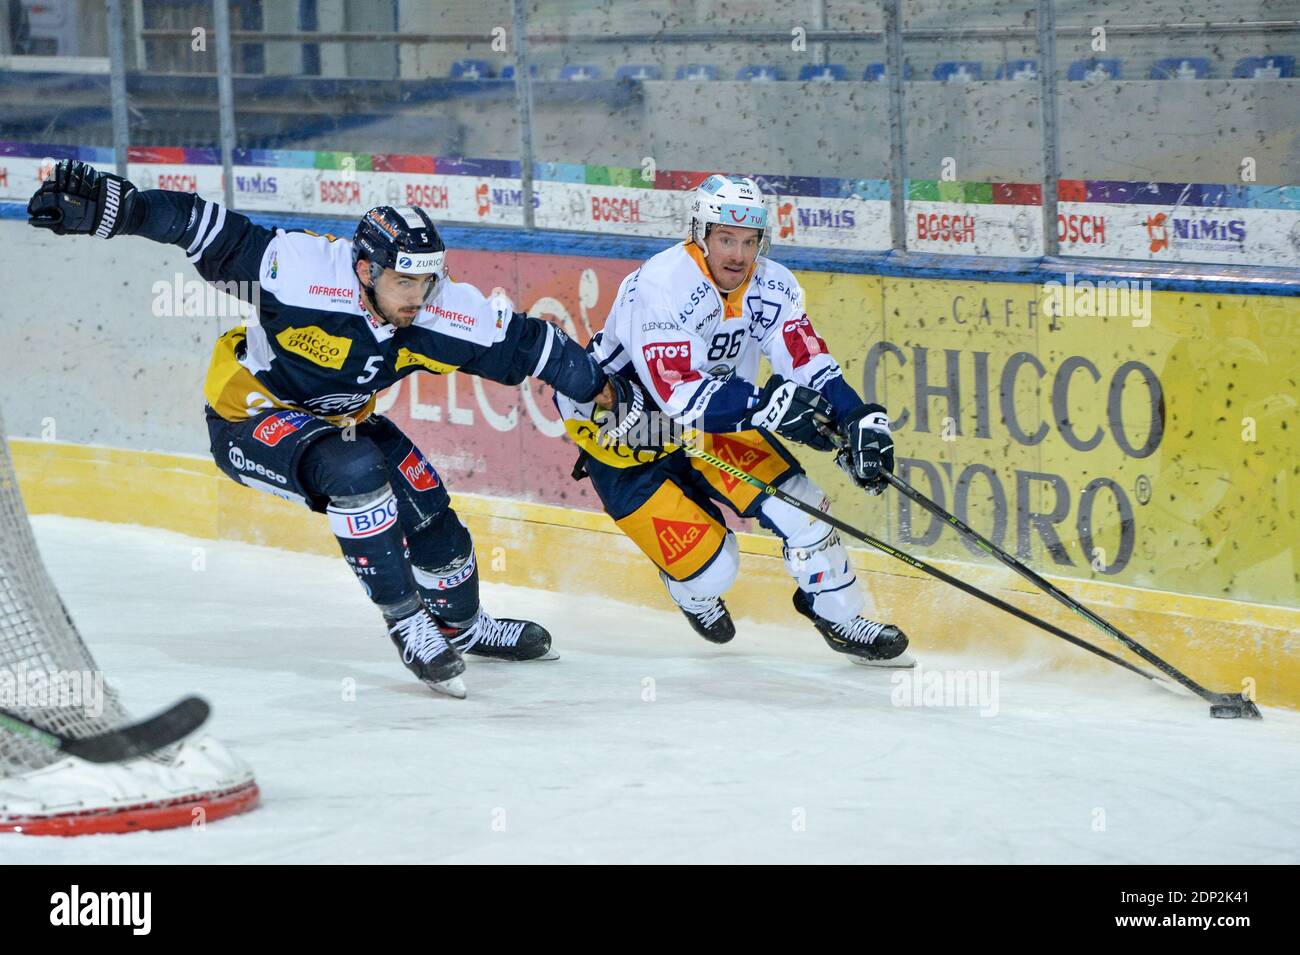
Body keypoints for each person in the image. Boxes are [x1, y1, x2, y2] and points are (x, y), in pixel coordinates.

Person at [28, 160, 610, 698]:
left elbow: (535, 347)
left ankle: (462, 626)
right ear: (365, 270)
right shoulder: (301, 270)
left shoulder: (444, 310)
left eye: (429, 282)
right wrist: (122, 210)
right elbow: (204, 228)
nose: (418, 298)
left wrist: (612, 396)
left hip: (344, 421)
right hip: (251, 415)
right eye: (405, 283)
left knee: (432, 513)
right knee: (354, 472)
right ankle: (408, 622)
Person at [559, 174, 910, 664]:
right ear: (700, 235)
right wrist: (766, 405)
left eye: (749, 242)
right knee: (716, 570)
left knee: (804, 508)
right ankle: (690, 589)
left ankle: (840, 617)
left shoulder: (772, 284)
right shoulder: (663, 283)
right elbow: (677, 391)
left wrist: (857, 416)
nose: (738, 255)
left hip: (714, 420)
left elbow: (806, 360)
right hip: (625, 434)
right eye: (726, 239)